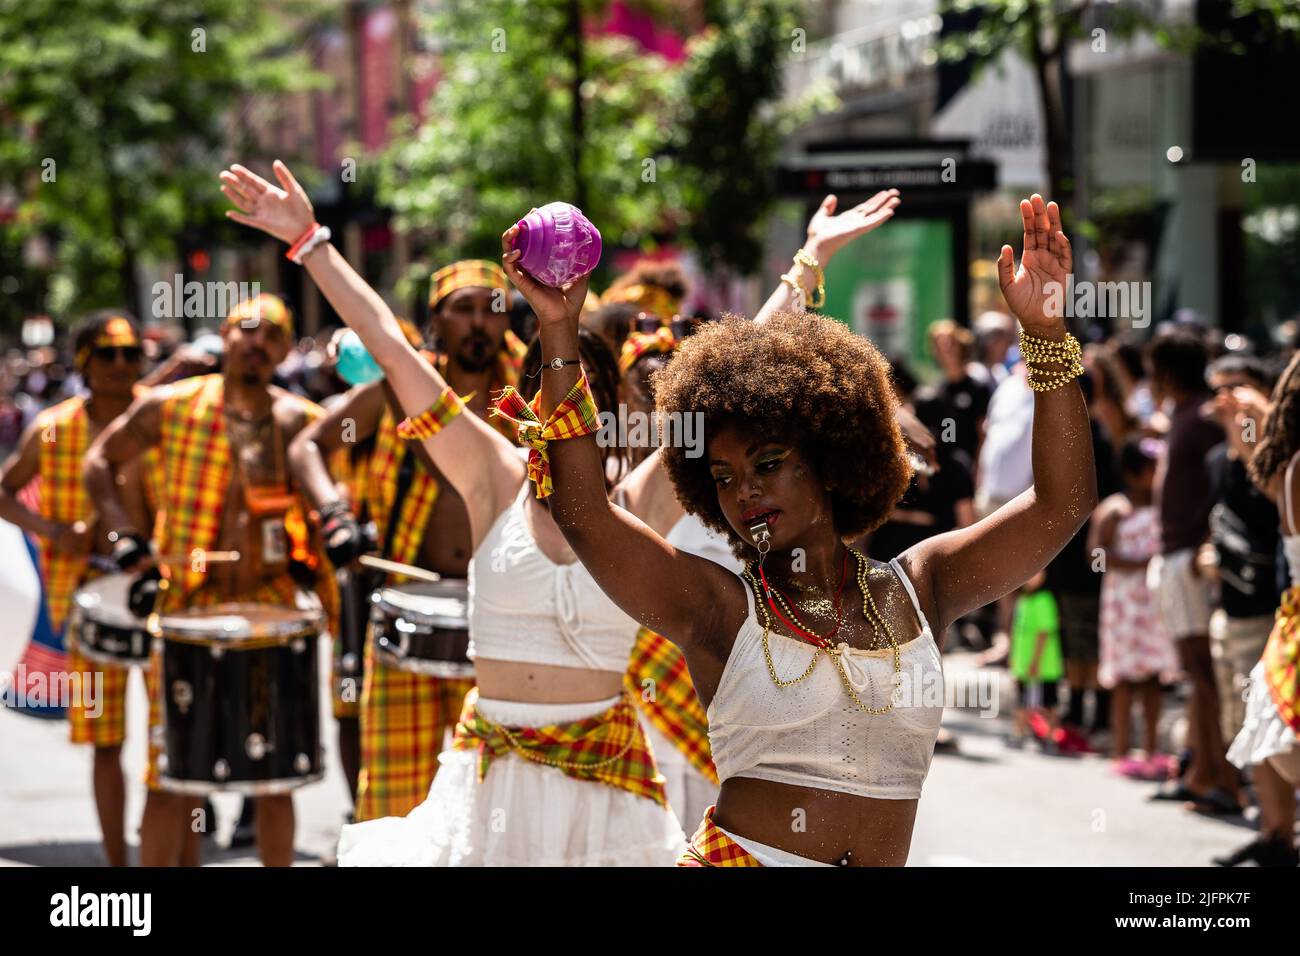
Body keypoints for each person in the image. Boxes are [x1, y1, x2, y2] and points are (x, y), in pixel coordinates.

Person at [523, 193, 1095, 865]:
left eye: (768, 463)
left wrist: (1048, 337)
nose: (746, 492)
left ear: (830, 458)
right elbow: (584, 512)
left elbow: (1064, 502)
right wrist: (559, 330)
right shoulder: (718, 609)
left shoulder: (920, 587)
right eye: (724, 477)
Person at [220, 159, 691, 865]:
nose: (569, 410)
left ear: (616, 411)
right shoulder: (492, 480)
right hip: (484, 800)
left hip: (610, 806)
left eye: (591, 395)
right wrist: (310, 240)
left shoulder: (644, 500)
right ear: (523, 405)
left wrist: (806, 269)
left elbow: (726, 392)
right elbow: (387, 344)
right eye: (554, 391)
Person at [83, 293, 332, 867]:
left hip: (271, 609)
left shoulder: (300, 420)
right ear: (224, 335)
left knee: (275, 777)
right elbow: (101, 459)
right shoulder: (172, 406)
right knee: (172, 774)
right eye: (247, 329)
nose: (257, 343)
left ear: (284, 351)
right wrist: (122, 532)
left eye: (272, 335)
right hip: (185, 608)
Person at [288, 261, 526, 822]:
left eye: (491, 310)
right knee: (397, 800)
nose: (478, 324)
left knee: (503, 801)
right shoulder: (398, 390)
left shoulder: (533, 392)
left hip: (506, 618)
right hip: (405, 614)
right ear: (436, 319)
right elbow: (308, 445)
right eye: (462, 309)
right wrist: (333, 514)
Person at [0, 313, 156, 866]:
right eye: (109, 354)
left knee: (174, 738)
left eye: (132, 353)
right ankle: (118, 864)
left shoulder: (163, 416)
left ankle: (173, 850)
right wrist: (52, 532)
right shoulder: (54, 426)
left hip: (166, 593)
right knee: (105, 740)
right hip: (90, 596)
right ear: (85, 363)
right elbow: (6, 490)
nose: (123, 365)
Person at [1145, 330, 1240, 814]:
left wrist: (1207, 545)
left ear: (1167, 369)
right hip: (1175, 555)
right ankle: (1203, 772)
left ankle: (1223, 779)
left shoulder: (1202, 415)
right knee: (1195, 672)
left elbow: (1223, 485)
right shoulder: (1183, 412)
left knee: (1204, 673)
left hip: (1191, 558)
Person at [1220, 349, 1300, 867]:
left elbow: (1256, 463)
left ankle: (1276, 836)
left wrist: (1257, 423)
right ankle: (1275, 836)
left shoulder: (1287, 471)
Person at [1091, 437, 1178, 778]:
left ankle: (1153, 750)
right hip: (1124, 604)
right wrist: (1136, 563)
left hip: (1154, 603)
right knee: (1125, 678)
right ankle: (1122, 750)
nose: (1156, 475)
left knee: (1154, 677)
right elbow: (1095, 555)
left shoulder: (1163, 506)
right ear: (1132, 473)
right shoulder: (1115, 509)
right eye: (1150, 469)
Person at [1007, 572, 1062, 750]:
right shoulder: (1022, 600)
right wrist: (1014, 659)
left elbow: (1044, 633)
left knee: (1048, 702)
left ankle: (1050, 737)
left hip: (1044, 666)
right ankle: (1020, 733)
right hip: (1023, 664)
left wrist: (1036, 662)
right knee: (1022, 701)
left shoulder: (1045, 600)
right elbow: (1017, 633)